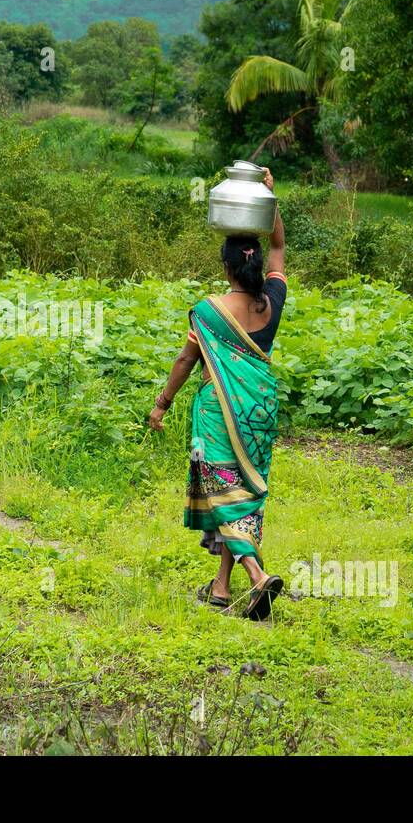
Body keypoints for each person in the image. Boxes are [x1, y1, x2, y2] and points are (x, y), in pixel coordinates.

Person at [148, 166, 287, 620]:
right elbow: (280, 249)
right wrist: (271, 199)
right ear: (255, 265)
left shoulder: (208, 312)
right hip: (258, 410)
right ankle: (221, 588)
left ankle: (256, 575)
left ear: (227, 267)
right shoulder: (271, 302)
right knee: (243, 490)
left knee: (222, 489)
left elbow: (187, 362)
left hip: (216, 410)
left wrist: (161, 404)